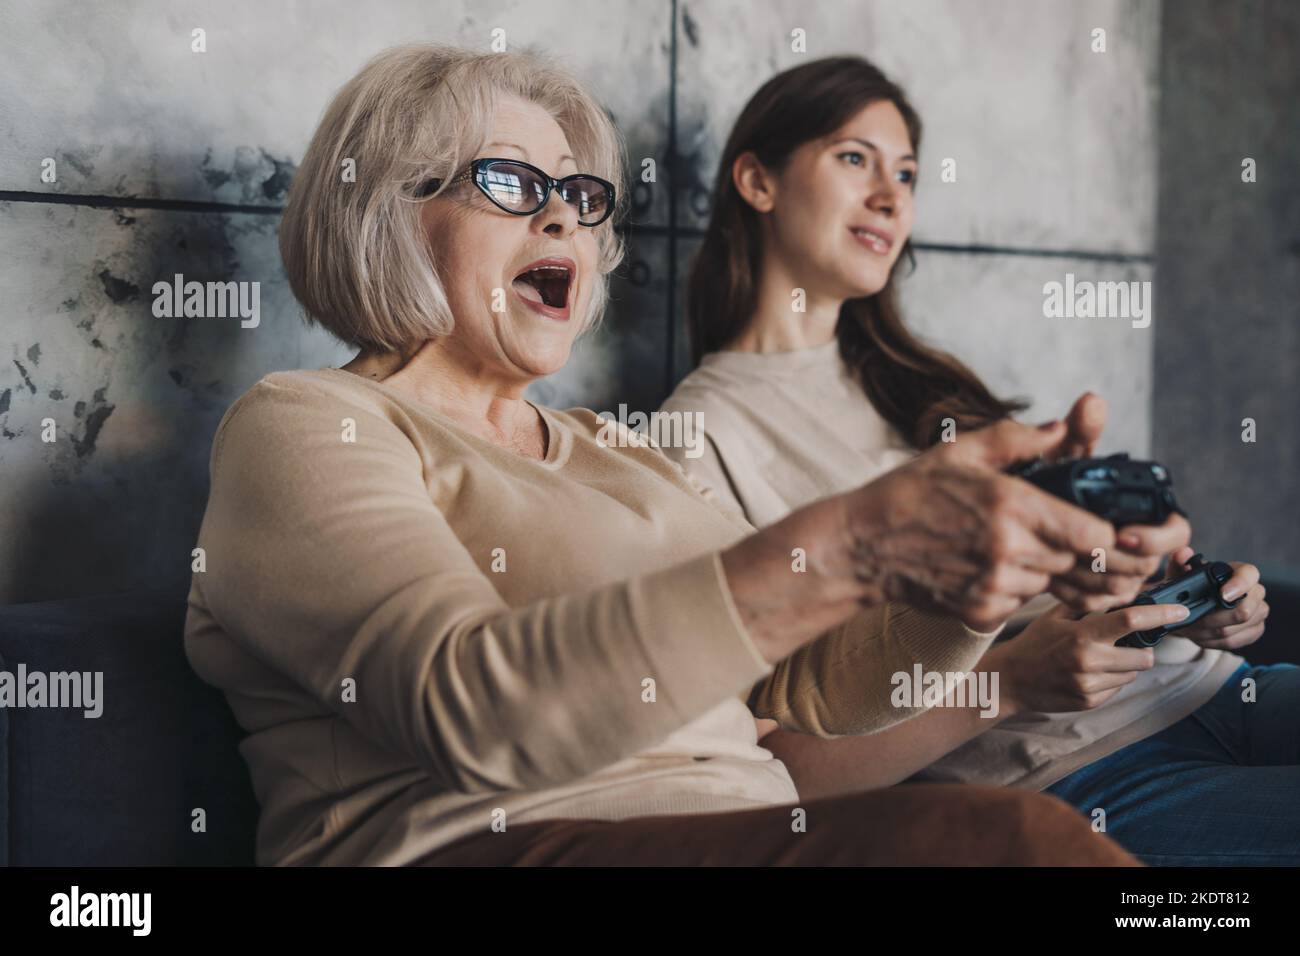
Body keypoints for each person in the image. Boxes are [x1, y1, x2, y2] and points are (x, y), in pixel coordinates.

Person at [182, 43, 1150, 867]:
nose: (564, 218)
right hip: (488, 846)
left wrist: (963, 587)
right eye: (514, 183)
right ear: (390, 208)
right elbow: (470, 704)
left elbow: (813, 678)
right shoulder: (306, 424)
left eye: (577, 195)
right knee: (1015, 845)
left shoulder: (615, 448)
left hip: (735, 834)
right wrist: (858, 537)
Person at [660, 55, 1293, 866]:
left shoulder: (925, 385)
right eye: (855, 159)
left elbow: (1071, 569)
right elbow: (776, 774)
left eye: (909, 174)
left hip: (1213, 682)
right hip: (1081, 780)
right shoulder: (696, 440)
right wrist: (1013, 683)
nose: (892, 196)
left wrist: (1183, 595)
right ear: (757, 180)